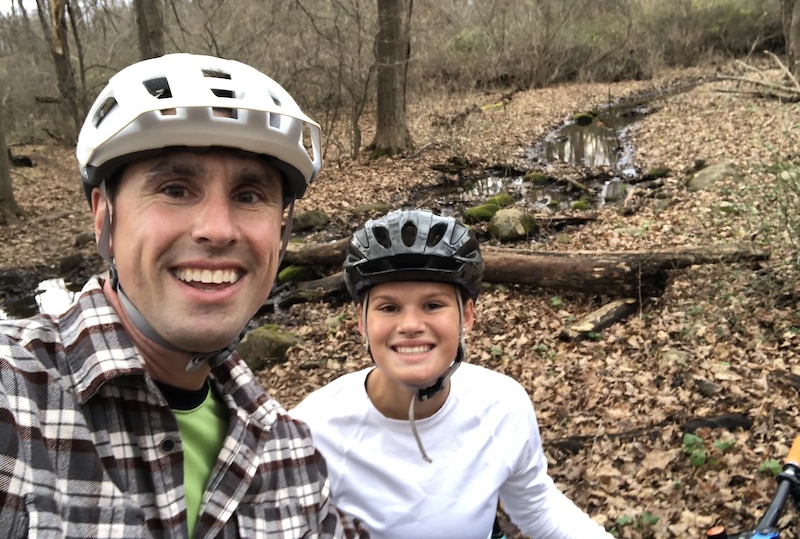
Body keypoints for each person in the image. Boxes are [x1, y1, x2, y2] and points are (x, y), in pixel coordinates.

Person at [0, 53, 367, 538]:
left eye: (250, 195)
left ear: (281, 234)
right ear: (103, 217)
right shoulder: (19, 402)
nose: (217, 230)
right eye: (175, 189)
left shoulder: (288, 454)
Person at [290, 209, 614, 539]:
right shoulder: (311, 432)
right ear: (362, 321)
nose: (411, 326)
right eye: (389, 307)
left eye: (433, 305)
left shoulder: (502, 405)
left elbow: (538, 507)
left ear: (467, 316)